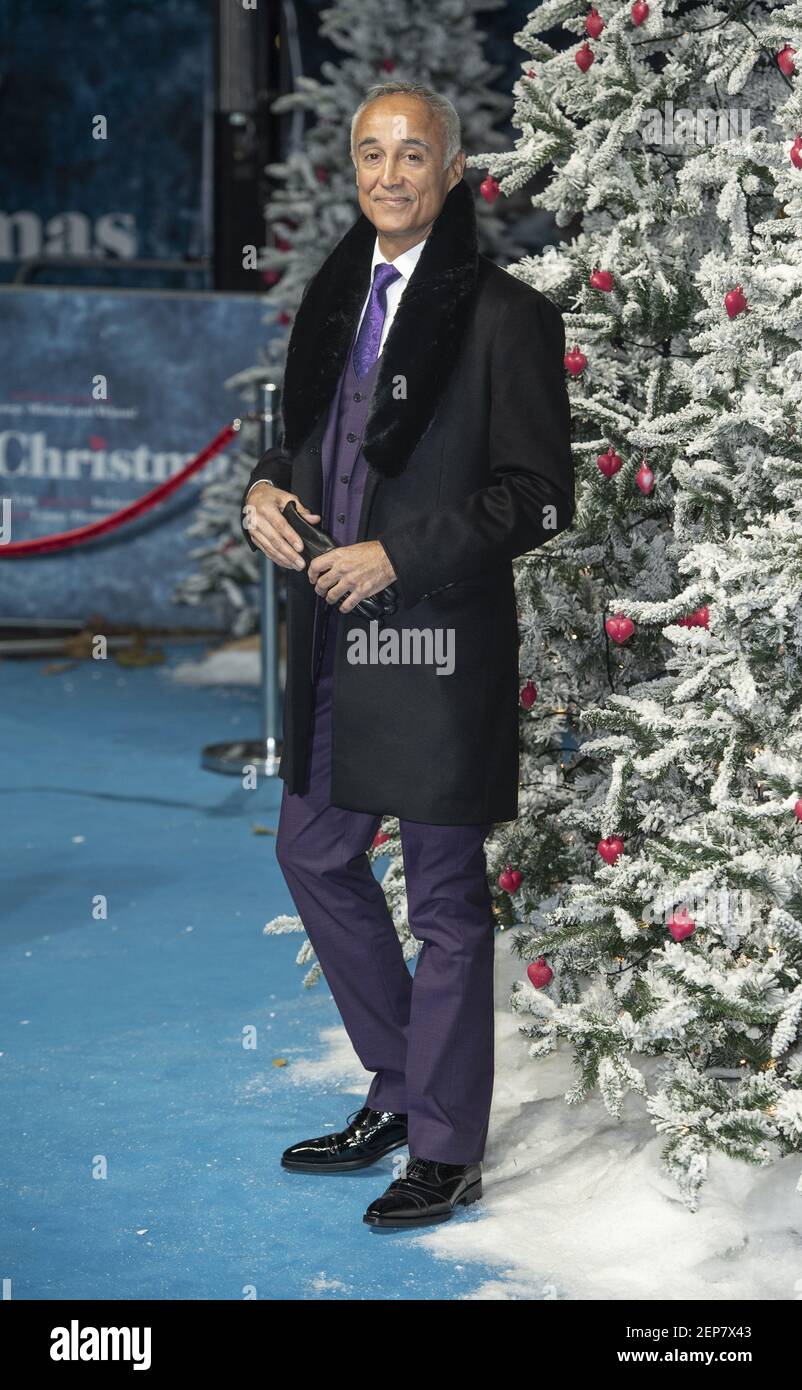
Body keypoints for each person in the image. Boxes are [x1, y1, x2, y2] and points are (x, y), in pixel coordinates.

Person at [241, 81, 574, 1229]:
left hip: (434, 641)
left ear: (452, 167)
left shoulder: (504, 315)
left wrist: (398, 555)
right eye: (371, 154)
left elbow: (538, 500)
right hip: (338, 630)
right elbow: (306, 442)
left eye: (411, 156)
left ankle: (444, 1142)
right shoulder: (336, 295)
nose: (389, 176)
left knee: (441, 897)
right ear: (354, 164)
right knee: (312, 852)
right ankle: (399, 1083)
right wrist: (268, 491)